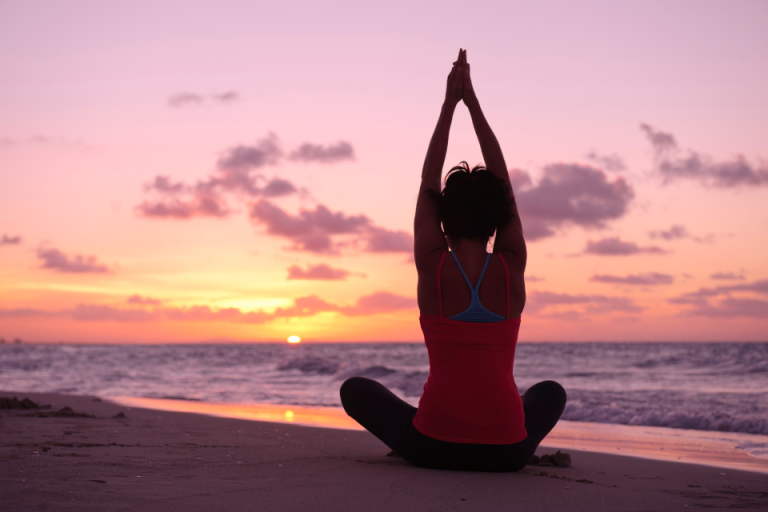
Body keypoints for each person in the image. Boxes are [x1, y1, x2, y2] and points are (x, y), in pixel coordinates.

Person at [340, 49, 566, 472]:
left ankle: (442, 426)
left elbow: (428, 182)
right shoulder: (511, 263)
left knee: (355, 389)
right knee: (551, 393)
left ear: (443, 219)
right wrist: (473, 104)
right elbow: (505, 186)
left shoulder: (433, 264)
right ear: (499, 217)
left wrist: (448, 105)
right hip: (508, 454)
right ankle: (496, 425)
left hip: (434, 447)